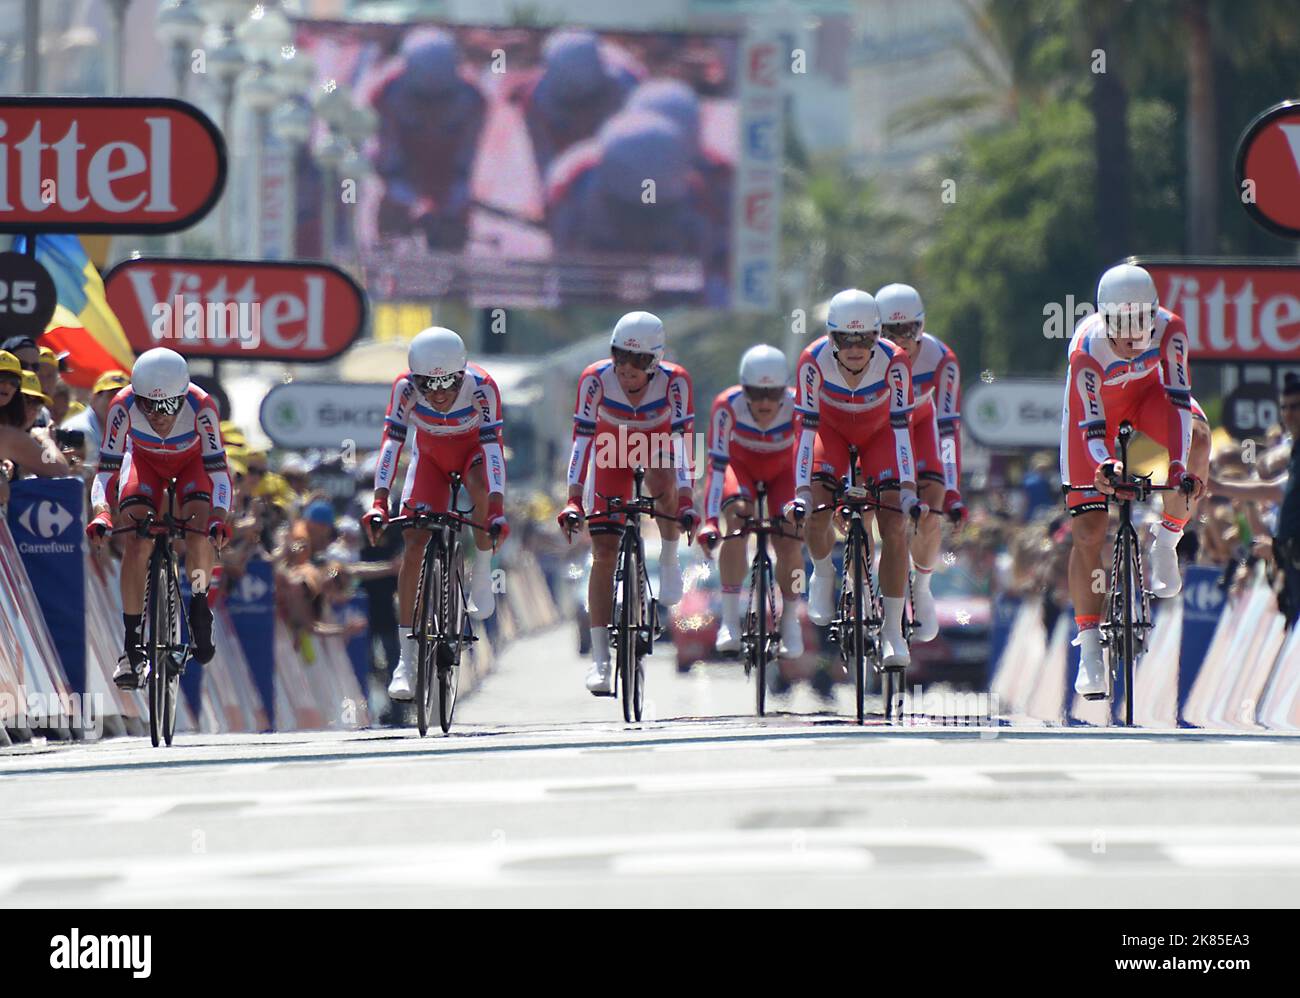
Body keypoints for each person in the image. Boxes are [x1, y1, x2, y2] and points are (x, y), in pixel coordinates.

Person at [1060, 263, 1205, 699]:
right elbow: (1088, 426)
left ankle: (1167, 540)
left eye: (1137, 321)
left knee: (1199, 435)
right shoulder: (1087, 345)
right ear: (1103, 318)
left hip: (1147, 402)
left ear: (1153, 314)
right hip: (1094, 422)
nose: (1127, 333)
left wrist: (1177, 466)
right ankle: (1088, 650)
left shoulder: (1171, 330)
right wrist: (1104, 464)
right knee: (1089, 531)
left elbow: (1179, 402)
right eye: (1117, 323)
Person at [362, 327, 509, 702]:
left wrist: (495, 508)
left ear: (462, 374)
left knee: (479, 486)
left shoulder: (483, 387)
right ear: (415, 379)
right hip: (429, 461)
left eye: (448, 383)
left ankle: (481, 578)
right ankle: (406, 663)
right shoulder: (404, 390)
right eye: (430, 384)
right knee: (413, 541)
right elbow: (391, 446)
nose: (440, 393)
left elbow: (494, 451)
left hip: (473, 456)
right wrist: (379, 503)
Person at [557, 311, 698, 695]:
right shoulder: (594, 378)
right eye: (620, 356)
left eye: (639, 361)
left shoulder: (676, 381)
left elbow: (684, 445)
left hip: (656, 445)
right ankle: (601, 661)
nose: (627, 368)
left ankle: (669, 561)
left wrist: (686, 500)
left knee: (662, 478)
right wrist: (573, 500)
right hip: (609, 449)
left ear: (656, 363)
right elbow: (582, 442)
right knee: (603, 552)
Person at [785, 289, 924, 669]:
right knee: (815, 509)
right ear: (831, 339)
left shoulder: (895, 363)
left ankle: (893, 631)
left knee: (894, 526)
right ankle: (824, 573)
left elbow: (902, 434)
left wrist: (909, 491)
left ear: (877, 337)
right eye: (845, 338)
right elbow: (805, 433)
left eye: (864, 339)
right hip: (829, 432)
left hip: (879, 434)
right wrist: (800, 494)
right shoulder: (812, 361)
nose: (854, 348)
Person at [86, 348, 232, 689]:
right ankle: (131, 647)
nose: (157, 414)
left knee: (198, 528)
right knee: (136, 541)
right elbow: (106, 472)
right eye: (148, 404)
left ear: (182, 398)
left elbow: (219, 474)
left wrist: (219, 519)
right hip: (145, 463)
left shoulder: (202, 406)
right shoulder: (121, 406)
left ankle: (198, 604)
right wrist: (102, 514)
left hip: (192, 463)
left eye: (167, 405)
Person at [697, 344, 804, 658]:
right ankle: (729, 620)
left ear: (785, 390)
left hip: (785, 470)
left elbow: (808, 457)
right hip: (739, 467)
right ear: (744, 390)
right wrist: (711, 521)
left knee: (789, 539)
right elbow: (716, 467)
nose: (766, 402)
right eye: (756, 394)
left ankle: (791, 620)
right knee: (738, 521)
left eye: (773, 394)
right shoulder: (726, 406)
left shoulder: (799, 405)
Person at [875, 283, 965, 643]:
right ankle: (861, 581)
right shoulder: (858, 355)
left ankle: (923, 586)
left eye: (909, 331)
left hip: (920, 429)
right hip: (875, 432)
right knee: (864, 510)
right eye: (889, 333)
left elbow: (948, 429)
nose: (901, 341)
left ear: (921, 328)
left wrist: (954, 489)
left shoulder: (942, 360)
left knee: (931, 507)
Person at [1210, 375, 1300, 626]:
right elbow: (1274, 489)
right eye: (1285, 407)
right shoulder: (1295, 453)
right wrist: (1218, 486)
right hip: (1289, 562)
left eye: (1296, 406)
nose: (1289, 414)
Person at [60, 369, 130, 470]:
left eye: (123, 398)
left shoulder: (126, 429)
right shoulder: (79, 429)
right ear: (95, 398)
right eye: (112, 396)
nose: (118, 403)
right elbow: (80, 473)